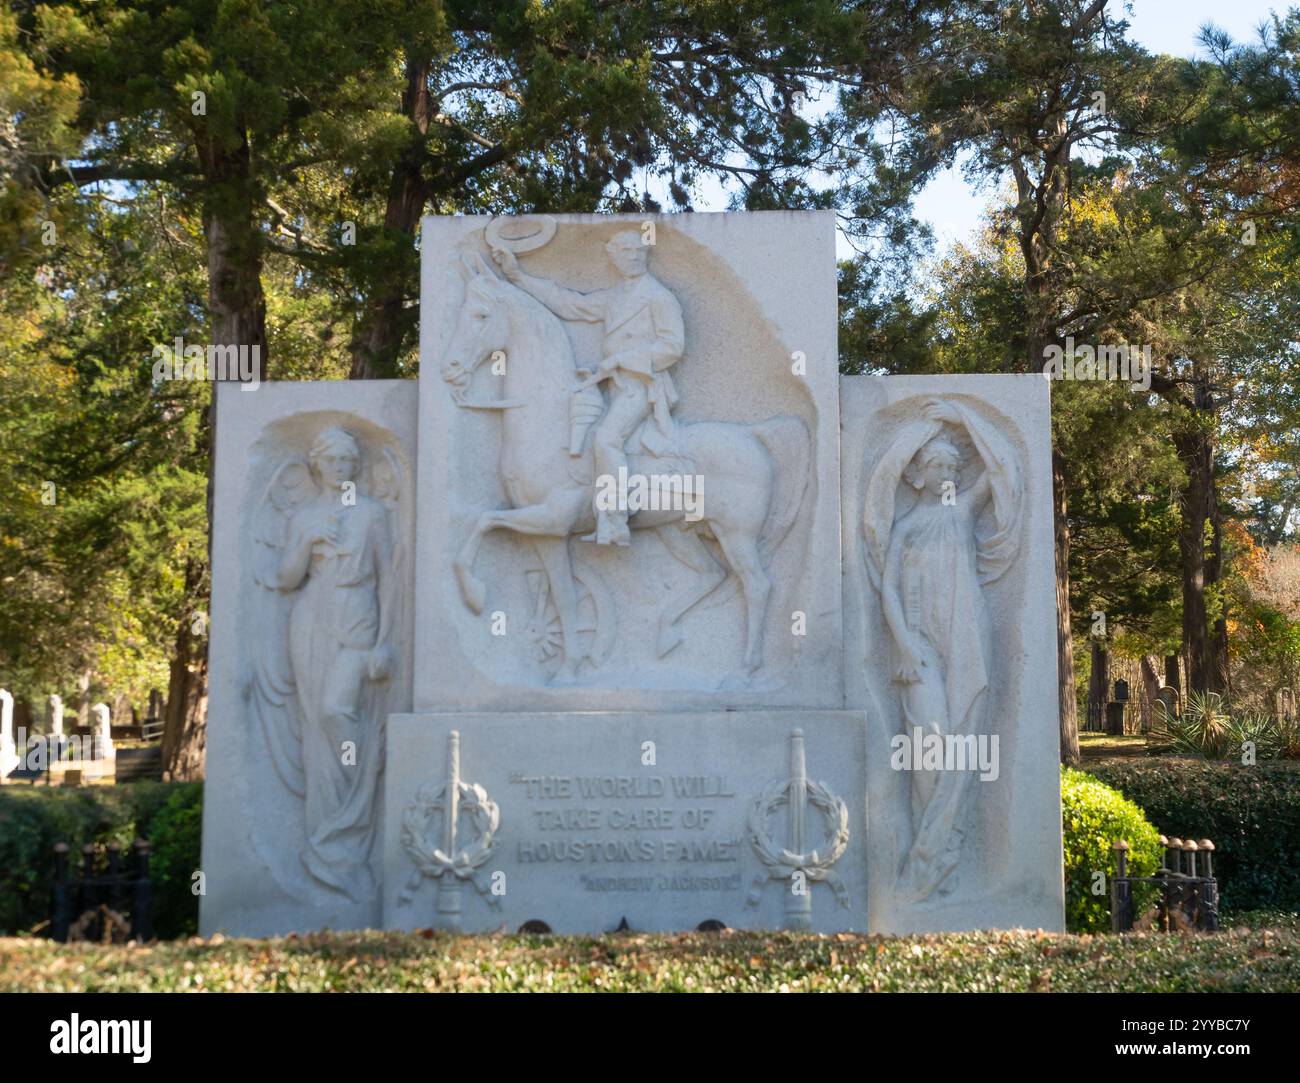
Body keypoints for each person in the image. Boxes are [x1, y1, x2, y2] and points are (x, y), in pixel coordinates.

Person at [492, 230, 685, 545]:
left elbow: (672, 347)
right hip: (614, 386)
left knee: (607, 439)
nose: (632, 256)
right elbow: (571, 304)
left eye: (637, 251)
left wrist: (623, 359)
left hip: (643, 387)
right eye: (624, 251)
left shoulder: (659, 297)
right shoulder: (615, 296)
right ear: (612, 257)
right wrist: (518, 277)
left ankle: (615, 521)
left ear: (646, 255)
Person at [275, 426, 393, 897]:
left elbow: (390, 579)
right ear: (318, 466)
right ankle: (324, 847)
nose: (341, 469)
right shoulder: (305, 515)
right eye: (332, 461)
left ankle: (350, 825)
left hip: (358, 614)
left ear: (355, 467)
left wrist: (385, 643)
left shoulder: (372, 513)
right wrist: (306, 542)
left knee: (335, 711)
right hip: (311, 617)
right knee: (314, 726)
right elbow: (286, 578)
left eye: (348, 461)